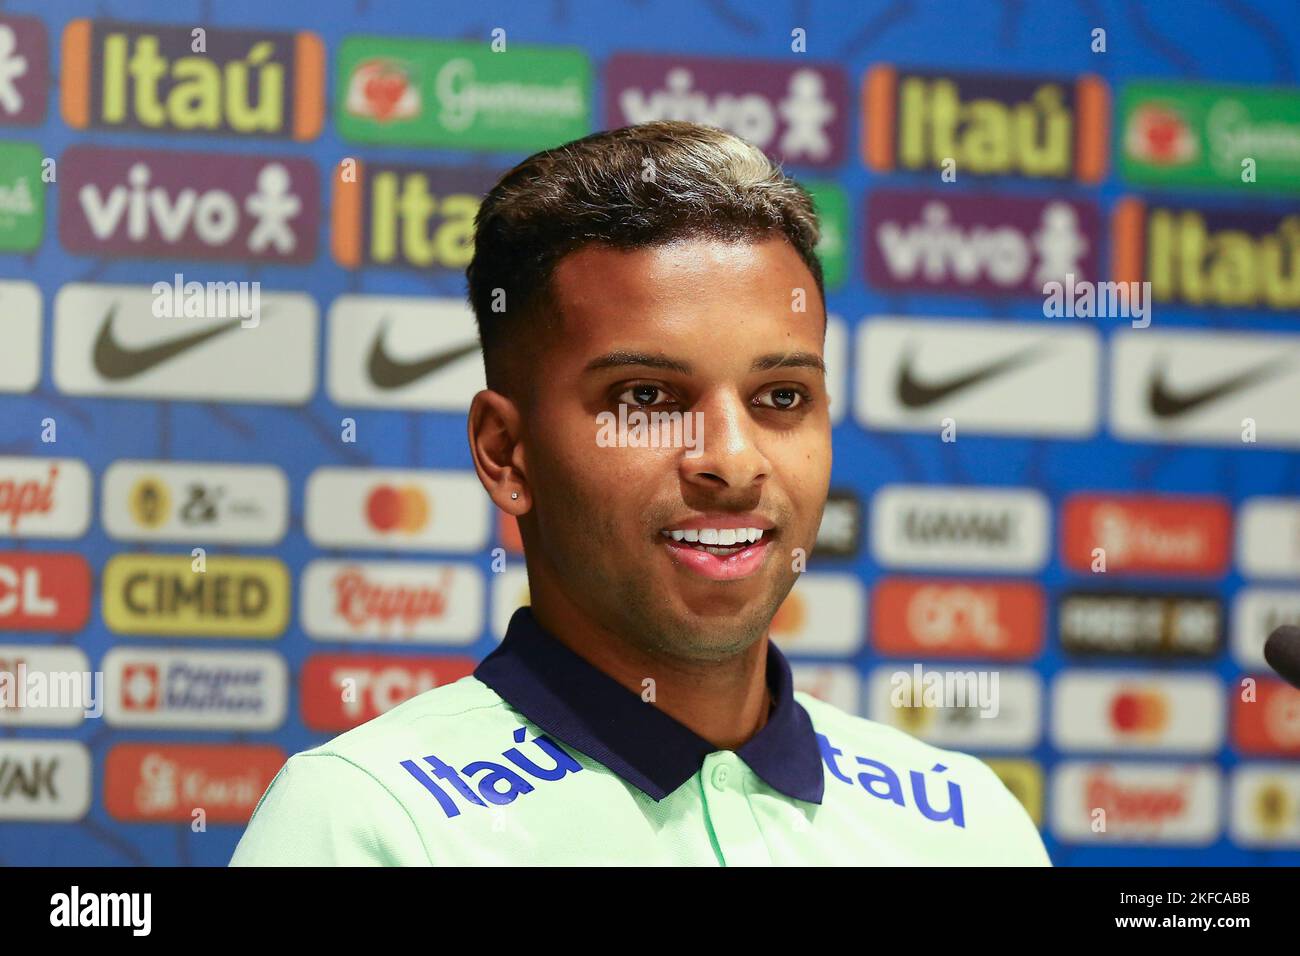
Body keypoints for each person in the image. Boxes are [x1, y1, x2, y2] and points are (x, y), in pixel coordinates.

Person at [230, 120, 1050, 865]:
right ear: (505, 453)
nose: (732, 461)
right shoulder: (369, 821)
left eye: (782, 398)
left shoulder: (969, 825)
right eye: (648, 398)